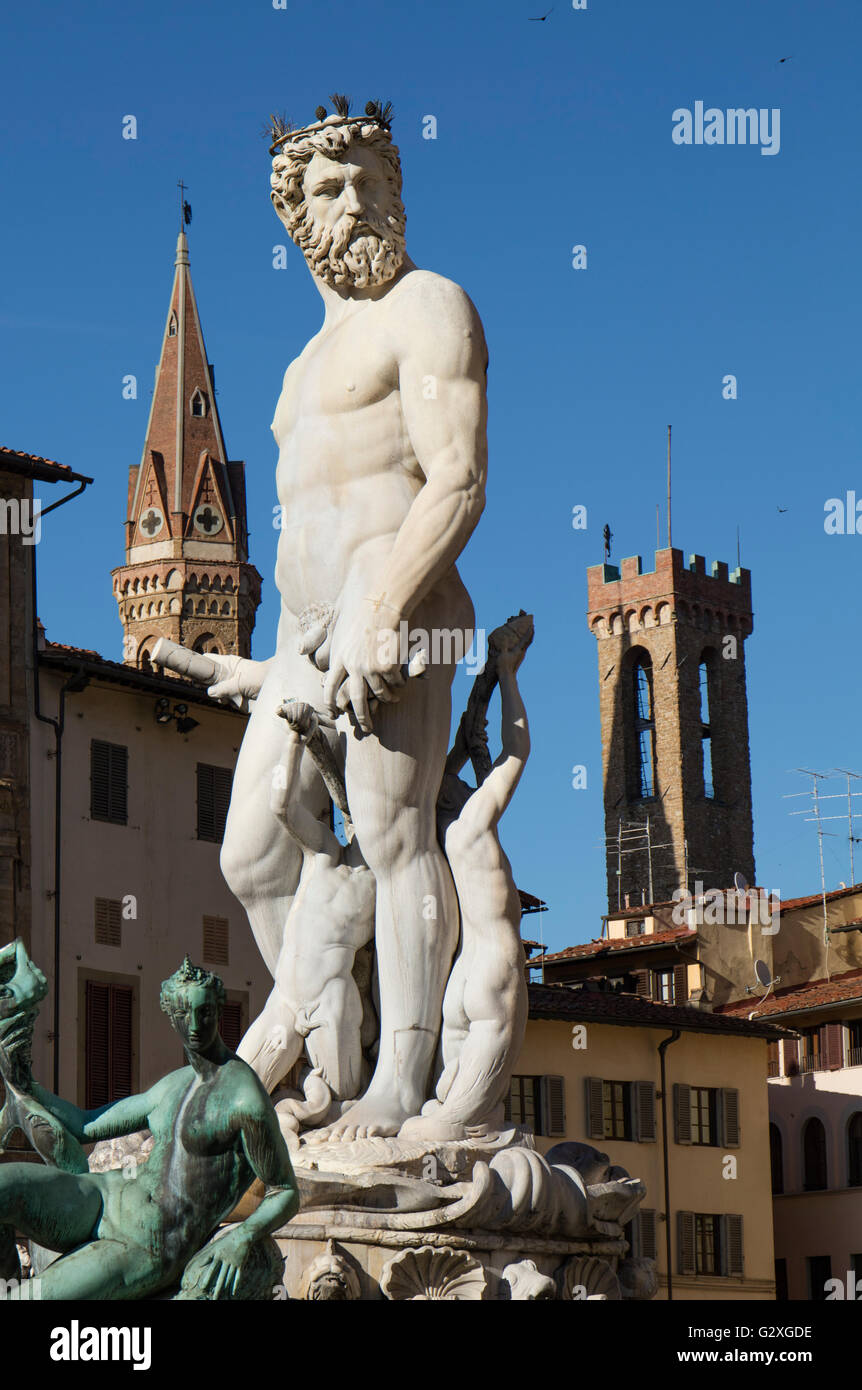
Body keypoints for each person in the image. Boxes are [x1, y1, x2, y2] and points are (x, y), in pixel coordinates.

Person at [204, 102, 488, 1137]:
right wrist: (269, 663)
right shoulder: (294, 374)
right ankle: (329, 1061)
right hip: (300, 632)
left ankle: (399, 1084)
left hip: (397, 601)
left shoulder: (430, 307)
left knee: (394, 840)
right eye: (330, 187)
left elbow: (456, 480)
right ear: (294, 216)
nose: (356, 201)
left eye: (373, 180)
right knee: (254, 857)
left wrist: (384, 601)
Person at [0, 954, 298, 1300]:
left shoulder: (244, 1098)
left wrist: (242, 1236)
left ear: (218, 1010)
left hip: (146, 1244)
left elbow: (285, 1190)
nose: (195, 1025)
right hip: (103, 1196)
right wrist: (23, 1081)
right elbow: (85, 1124)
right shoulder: (174, 1085)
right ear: (171, 1017)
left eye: (204, 1013)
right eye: (184, 1014)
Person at [401, 617, 532, 1141]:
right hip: (497, 970)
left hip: (459, 981)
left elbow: (462, 746)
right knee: (461, 1128)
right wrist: (508, 673)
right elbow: (516, 751)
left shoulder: (431, 841)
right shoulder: (474, 827)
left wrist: (485, 681)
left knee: (436, 1119)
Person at [238, 699, 375, 1107]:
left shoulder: (386, 883)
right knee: (233, 1094)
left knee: (338, 1105)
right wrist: (293, 741)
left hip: (330, 1001)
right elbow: (280, 806)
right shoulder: (324, 852)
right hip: (284, 998)